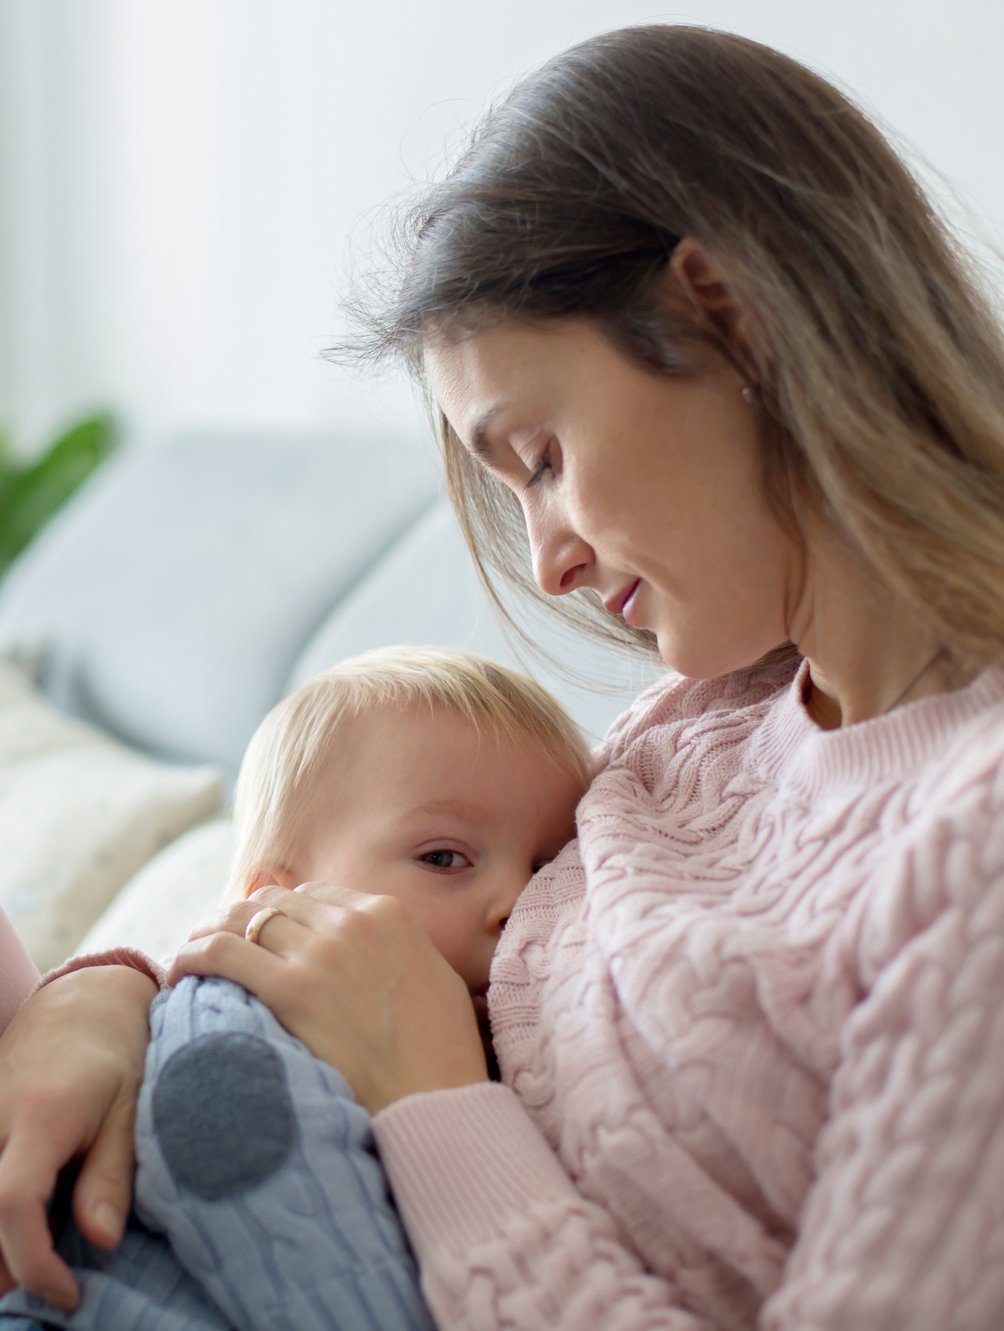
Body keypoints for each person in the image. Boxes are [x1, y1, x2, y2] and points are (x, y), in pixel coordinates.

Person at [2, 22, 1004, 1330]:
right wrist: (113, 993)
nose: (548, 564)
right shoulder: (698, 723)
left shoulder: (967, 839)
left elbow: (412, 1025)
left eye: (539, 454)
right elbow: (350, 881)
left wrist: (432, 1100)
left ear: (733, 315)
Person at [0, 647, 591, 1330]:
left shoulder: (522, 1065)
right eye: (443, 857)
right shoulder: (234, 1018)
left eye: (549, 866)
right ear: (273, 901)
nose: (516, 900)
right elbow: (256, 1193)